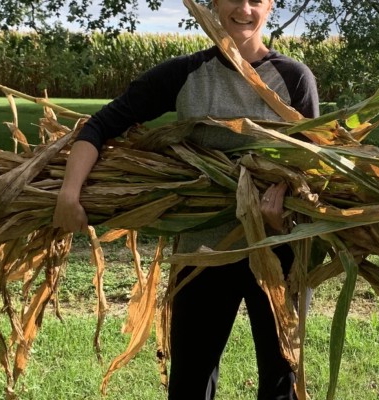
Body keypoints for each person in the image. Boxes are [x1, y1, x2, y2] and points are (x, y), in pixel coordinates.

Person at [51, 0, 319, 398]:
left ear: (271, 6)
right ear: (213, 3)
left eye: (256, 0)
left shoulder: (294, 79)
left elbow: (314, 173)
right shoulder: (187, 74)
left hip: (279, 250)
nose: (244, 8)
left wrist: (286, 223)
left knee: (281, 381)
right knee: (191, 382)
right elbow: (100, 126)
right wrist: (69, 193)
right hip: (202, 253)